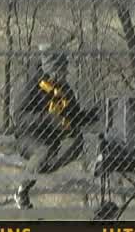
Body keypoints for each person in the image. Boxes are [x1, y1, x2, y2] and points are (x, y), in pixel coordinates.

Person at [10, 49, 97, 210]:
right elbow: (19, 117)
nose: (65, 72)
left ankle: (40, 167)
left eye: (65, 68)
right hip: (28, 136)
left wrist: (94, 114)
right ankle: (21, 191)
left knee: (76, 141)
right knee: (43, 151)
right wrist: (48, 119)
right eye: (61, 69)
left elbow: (75, 117)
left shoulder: (65, 89)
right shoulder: (32, 85)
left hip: (52, 139)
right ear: (51, 69)